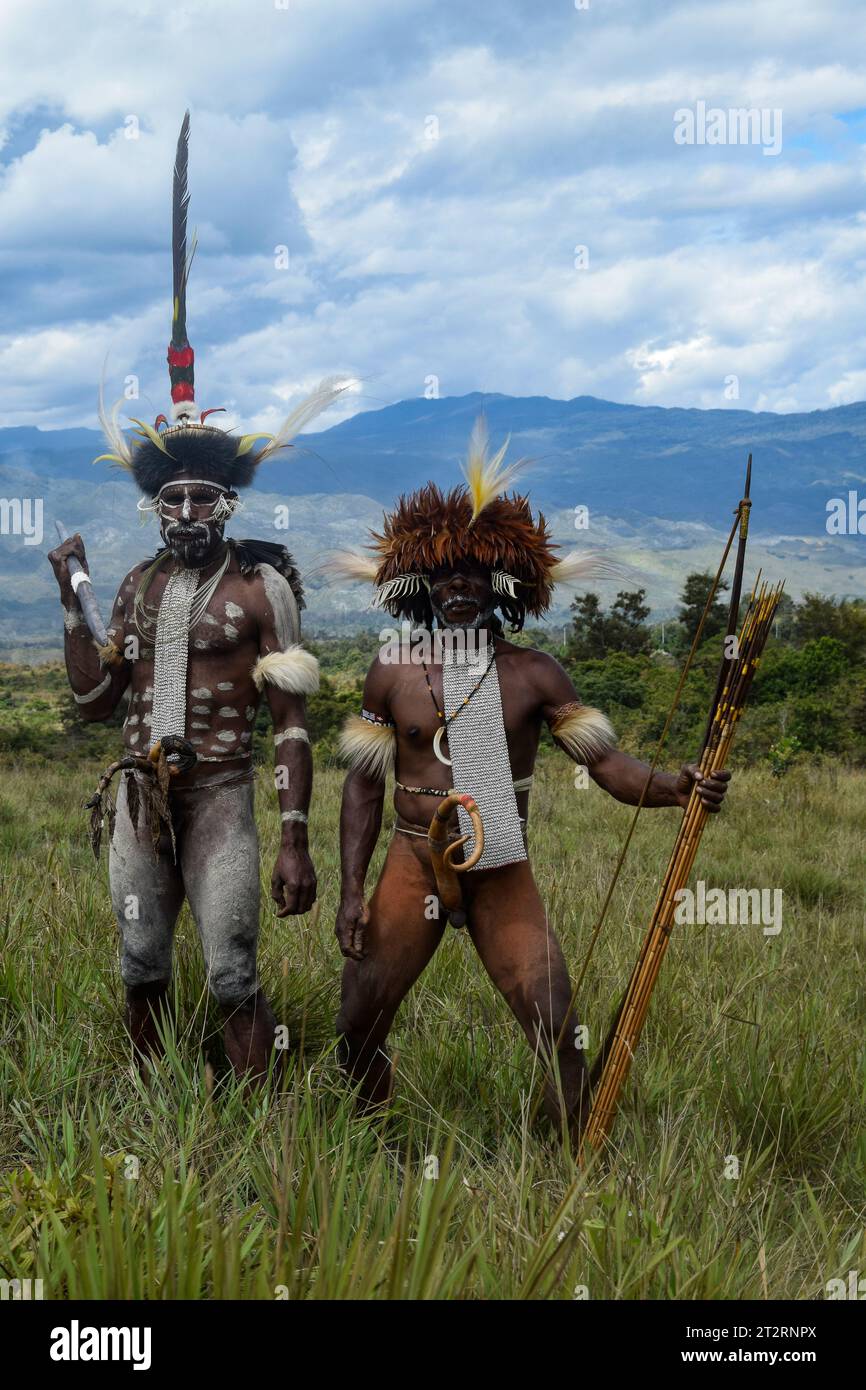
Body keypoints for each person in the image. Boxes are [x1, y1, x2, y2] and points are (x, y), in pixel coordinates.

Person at [48, 113, 347, 1081]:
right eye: (168, 496)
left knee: (229, 967)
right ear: (155, 507)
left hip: (221, 791)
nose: (182, 510)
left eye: (199, 497)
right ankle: (149, 1100)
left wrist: (294, 837)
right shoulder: (134, 584)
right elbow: (96, 704)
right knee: (139, 960)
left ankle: (250, 1118)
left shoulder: (261, 589)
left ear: (226, 503)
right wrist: (71, 605)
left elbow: (292, 724)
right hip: (139, 790)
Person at [331, 421, 730, 1137]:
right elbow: (362, 786)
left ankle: (572, 1157)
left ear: (498, 585)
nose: (459, 588)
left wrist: (676, 787)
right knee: (358, 1021)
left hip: (500, 864)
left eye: (473, 575)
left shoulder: (535, 673)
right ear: (424, 587)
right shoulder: (392, 671)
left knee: (556, 1022)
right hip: (412, 858)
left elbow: (606, 764)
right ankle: (367, 1139)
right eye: (446, 576)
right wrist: (351, 892)